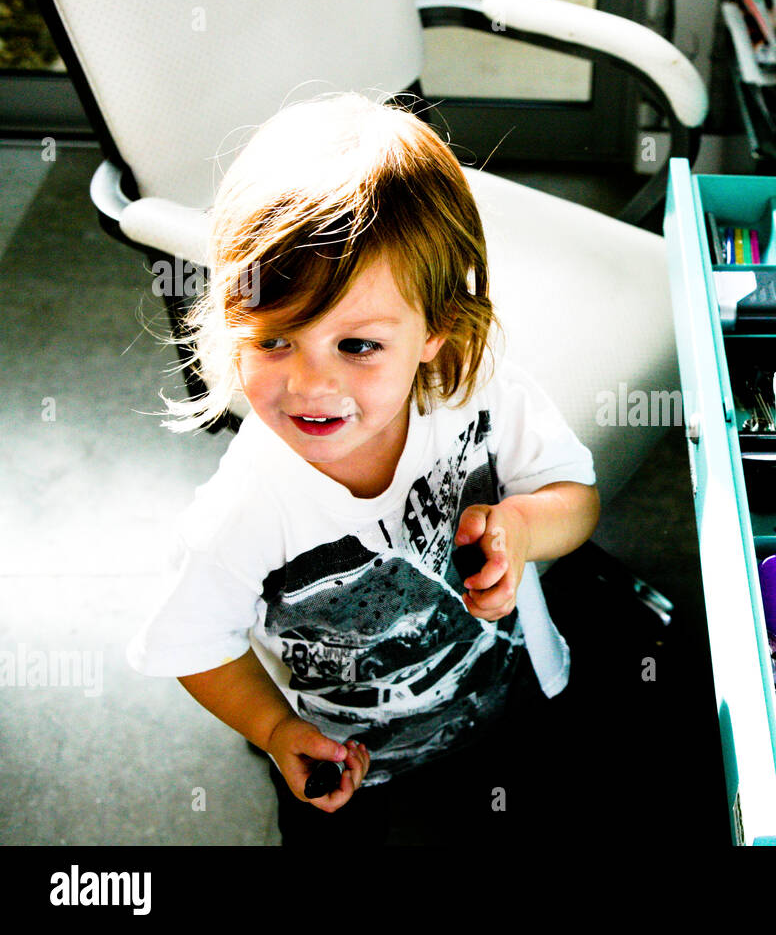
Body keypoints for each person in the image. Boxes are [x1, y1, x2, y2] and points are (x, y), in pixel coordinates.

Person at [126, 92, 601, 844]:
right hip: (360, 774)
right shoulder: (244, 510)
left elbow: (576, 497)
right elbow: (189, 642)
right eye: (276, 340)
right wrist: (275, 729)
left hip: (514, 697)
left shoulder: (478, 395)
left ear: (436, 328)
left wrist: (521, 526)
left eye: (358, 346)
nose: (312, 385)